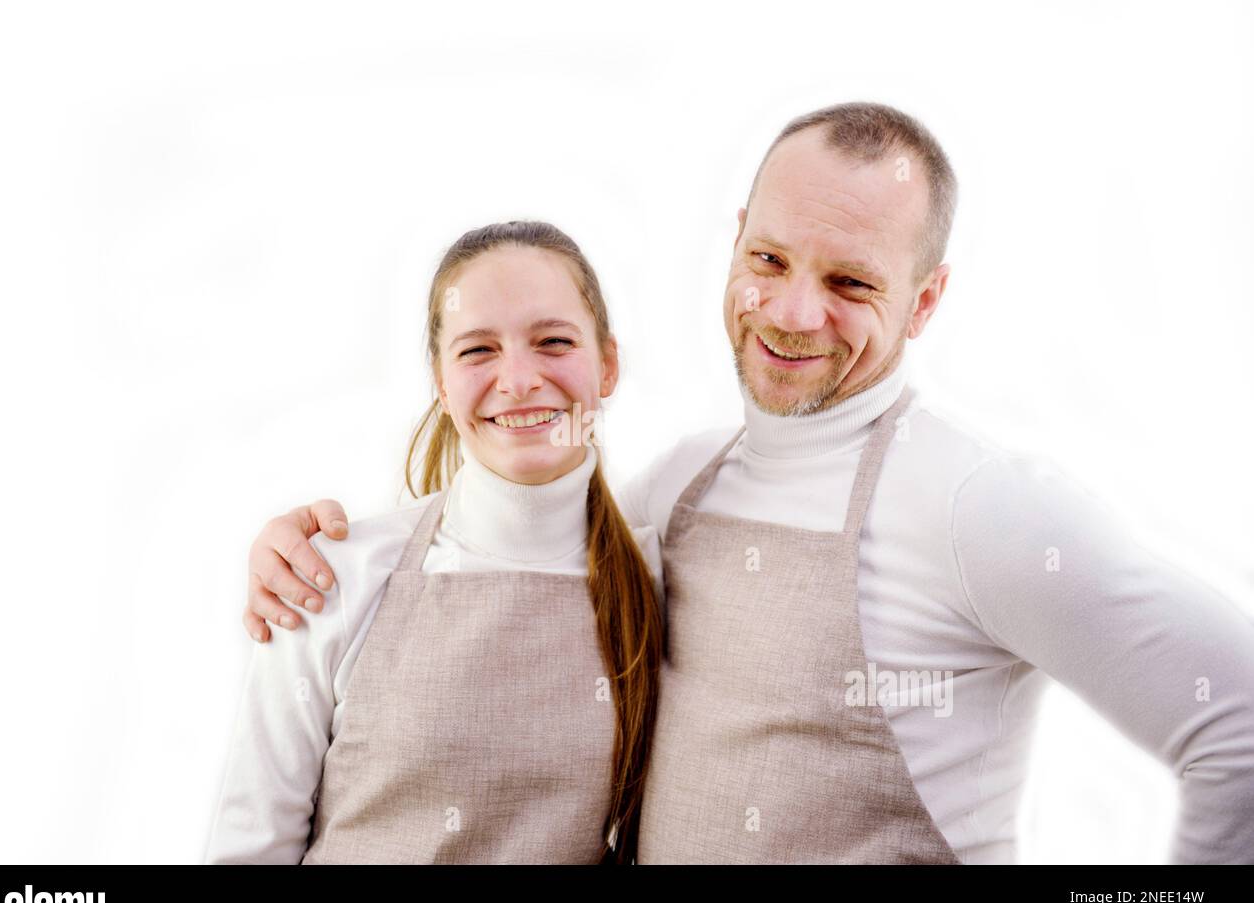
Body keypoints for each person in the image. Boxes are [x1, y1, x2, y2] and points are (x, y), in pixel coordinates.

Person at [240, 103, 1254, 864]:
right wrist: (310, 554)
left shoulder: (979, 506)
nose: (794, 313)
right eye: (768, 258)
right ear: (733, 240)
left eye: (851, 282)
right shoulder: (675, 490)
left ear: (926, 299)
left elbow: (1236, 716)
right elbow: (512, 546)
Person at [205, 220, 665, 864]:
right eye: (478, 351)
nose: (519, 379)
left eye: (554, 341)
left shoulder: (662, 581)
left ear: (608, 365)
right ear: (441, 384)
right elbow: (250, 845)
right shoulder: (333, 574)